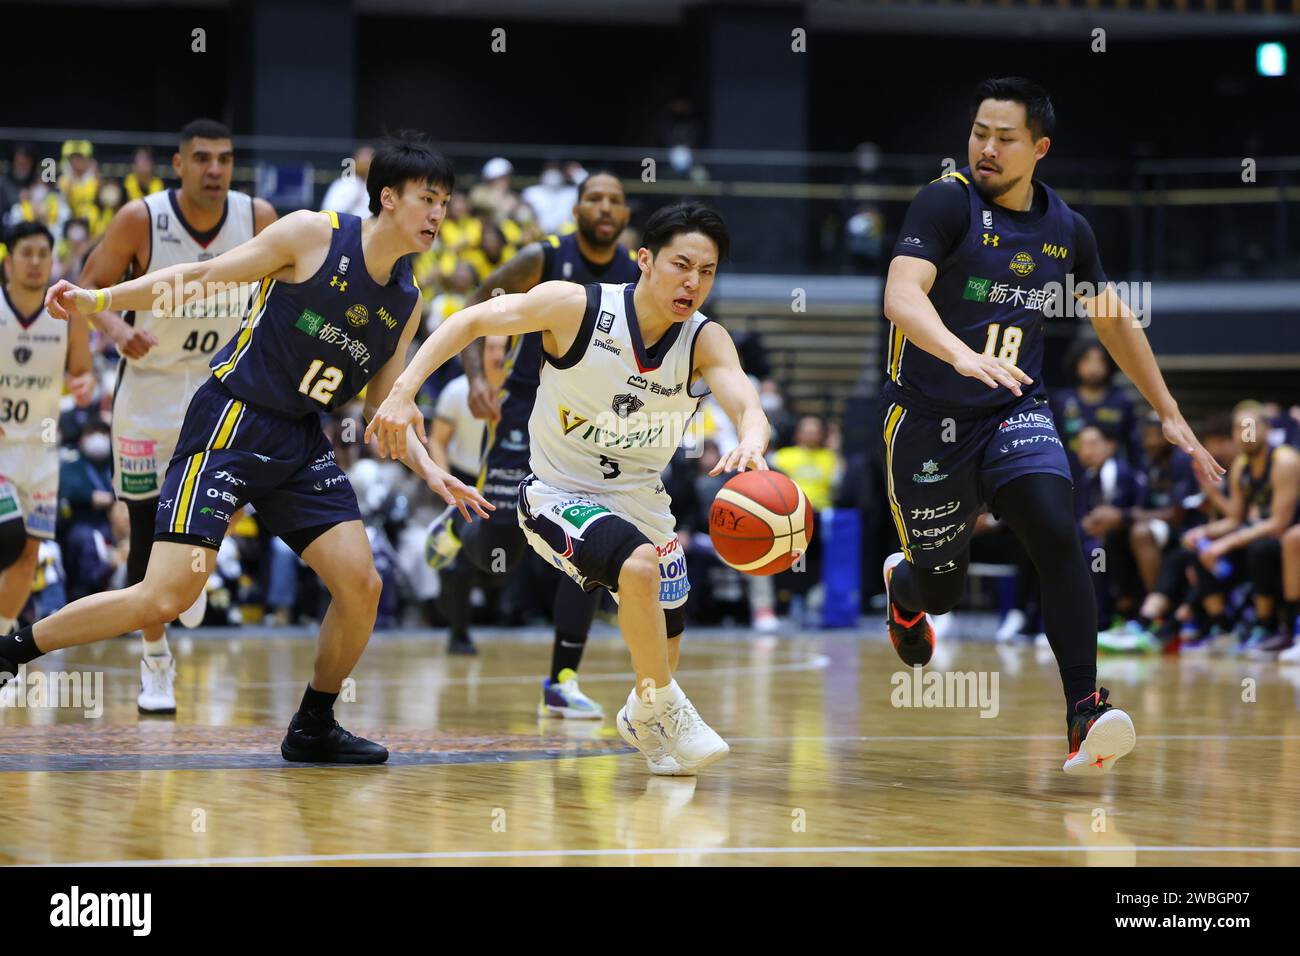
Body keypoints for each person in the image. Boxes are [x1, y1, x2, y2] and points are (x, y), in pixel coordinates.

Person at [5, 132, 491, 764]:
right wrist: (102, 300)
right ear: (388, 198)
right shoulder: (313, 235)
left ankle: (314, 725)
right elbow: (202, 277)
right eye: (428, 199)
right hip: (232, 421)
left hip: (299, 441)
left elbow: (384, 407)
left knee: (361, 584)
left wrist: (431, 471)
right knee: (163, 597)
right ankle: (11, 651)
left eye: (446, 202)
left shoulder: (405, 299)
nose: (438, 214)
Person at [878, 77, 1222, 775]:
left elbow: (1113, 318)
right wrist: (960, 354)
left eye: (1004, 137)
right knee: (940, 587)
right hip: (926, 420)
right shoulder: (946, 201)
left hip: (1013, 409)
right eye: (979, 131)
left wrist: (1171, 412)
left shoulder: (1067, 230)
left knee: (1054, 521)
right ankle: (906, 593)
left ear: (1040, 148)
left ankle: (1083, 711)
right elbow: (900, 294)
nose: (987, 147)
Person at [368, 201, 768, 774]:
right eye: (682, 265)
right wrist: (404, 390)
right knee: (636, 567)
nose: (693, 282)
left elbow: (745, 400)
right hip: (558, 493)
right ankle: (668, 709)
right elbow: (469, 319)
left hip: (643, 501)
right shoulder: (578, 305)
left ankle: (642, 710)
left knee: (665, 632)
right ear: (645, 260)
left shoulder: (705, 340)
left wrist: (752, 439)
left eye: (706, 272)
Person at [77, 119, 278, 714]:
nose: (215, 169)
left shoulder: (258, 216)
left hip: (220, 388)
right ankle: (155, 663)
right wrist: (115, 328)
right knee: (143, 527)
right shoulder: (141, 218)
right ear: (179, 164)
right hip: (149, 392)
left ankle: (194, 570)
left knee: (223, 504)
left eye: (224, 158)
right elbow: (91, 285)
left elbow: (286, 287)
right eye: (202, 159)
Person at [452, 171, 639, 717]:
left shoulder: (635, 273)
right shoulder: (544, 257)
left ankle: (561, 678)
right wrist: (476, 378)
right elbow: (475, 304)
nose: (605, 207)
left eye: (615, 199)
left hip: (592, 422)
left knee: (590, 544)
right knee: (498, 554)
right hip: (524, 406)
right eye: (594, 198)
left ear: (625, 215)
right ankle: (457, 536)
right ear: (576, 208)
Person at [0, 222, 94, 636]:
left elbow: (82, 372)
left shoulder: (68, 315)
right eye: (27, 253)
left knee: (29, 553)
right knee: (9, 535)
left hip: (41, 449)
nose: (36, 262)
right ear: (8, 261)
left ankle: (3, 636)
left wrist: (84, 384)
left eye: (44, 254)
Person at [1182, 400, 1299, 657]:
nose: (1244, 434)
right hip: (1255, 537)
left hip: (1285, 536)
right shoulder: (1241, 466)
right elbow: (1235, 519)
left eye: (1250, 427)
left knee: (1260, 548)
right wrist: (1205, 534)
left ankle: (1268, 627)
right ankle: (1222, 628)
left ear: (1266, 429)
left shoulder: (1285, 460)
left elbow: (1279, 523)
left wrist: (1228, 542)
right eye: (1238, 428)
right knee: (1199, 553)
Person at [426, 335, 508, 655]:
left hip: (507, 482)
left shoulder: (528, 391)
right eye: (492, 347)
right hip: (464, 481)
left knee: (500, 565)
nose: (499, 353)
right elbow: (437, 441)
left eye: (505, 347)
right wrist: (448, 485)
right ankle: (458, 634)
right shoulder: (457, 391)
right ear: (481, 352)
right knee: (462, 564)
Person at [321, 145, 375, 220]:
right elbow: (328, 211)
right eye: (363, 160)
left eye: (368, 161)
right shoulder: (342, 184)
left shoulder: (379, 186)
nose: (365, 164)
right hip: (346, 228)